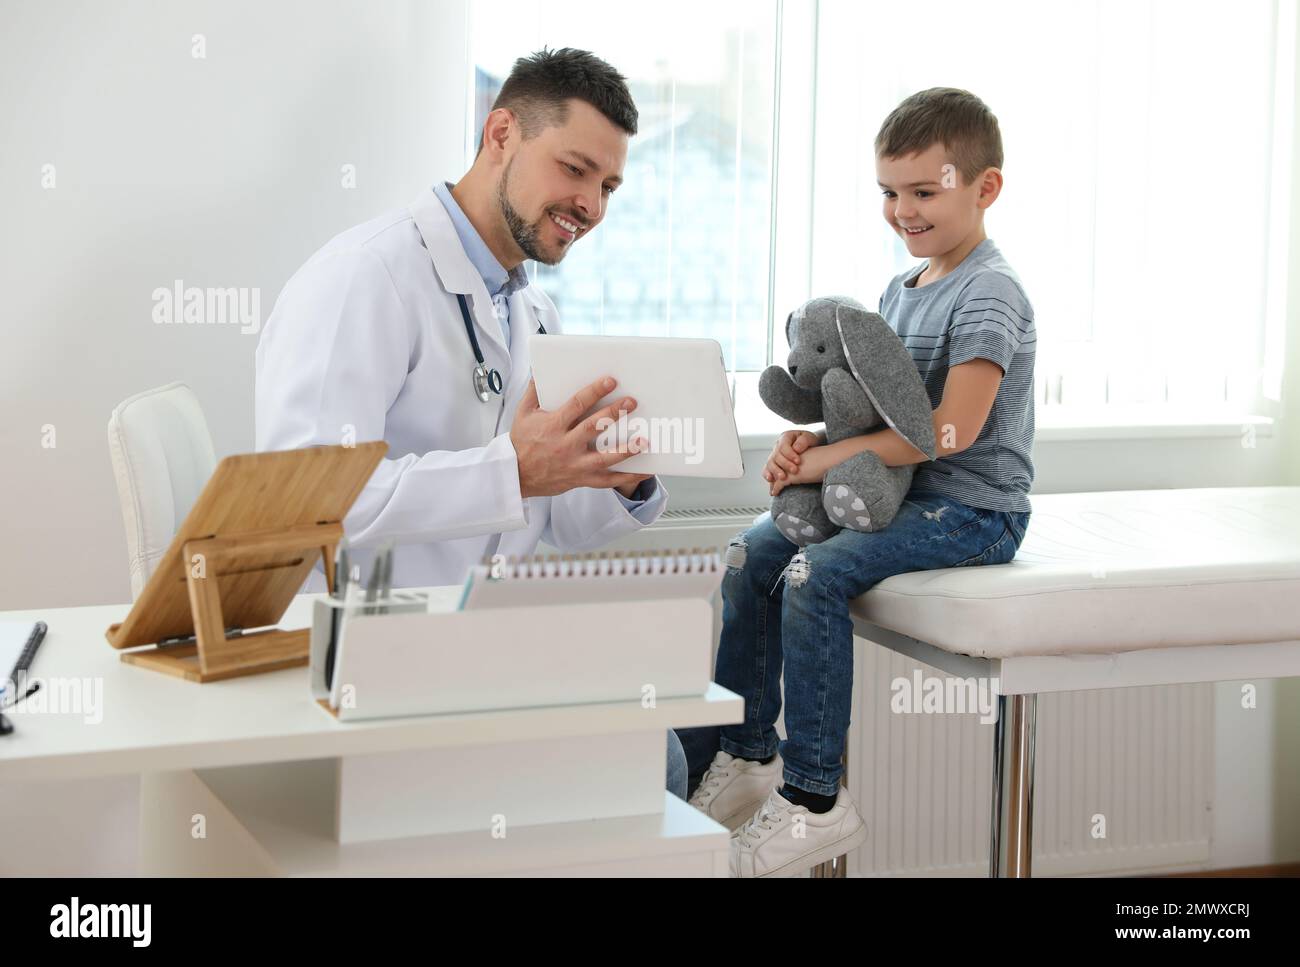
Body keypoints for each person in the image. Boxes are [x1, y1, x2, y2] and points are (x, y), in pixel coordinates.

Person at [255, 47, 690, 798]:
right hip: (361, 647)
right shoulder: (366, 276)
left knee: (671, 735)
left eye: (609, 186)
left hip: (472, 640)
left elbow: (550, 518)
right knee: (656, 761)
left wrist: (618, 478)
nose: (592, 205)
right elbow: (303, 506)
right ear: (501, 135)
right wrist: (512, 470)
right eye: (575, 168)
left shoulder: (531, 308)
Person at [677, 87, 1037, 876]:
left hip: (971, 511)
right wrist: (811, 442)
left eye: (924, 191)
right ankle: (745, 752)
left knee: (815, 574)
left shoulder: (989, 292)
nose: (902, 210)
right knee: (750, 554)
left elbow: (949, 432)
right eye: (889, 191)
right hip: (893, 490)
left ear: (985, 187)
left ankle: (814, 797)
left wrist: (824, 464)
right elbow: (876, 418)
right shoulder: (897, 294)